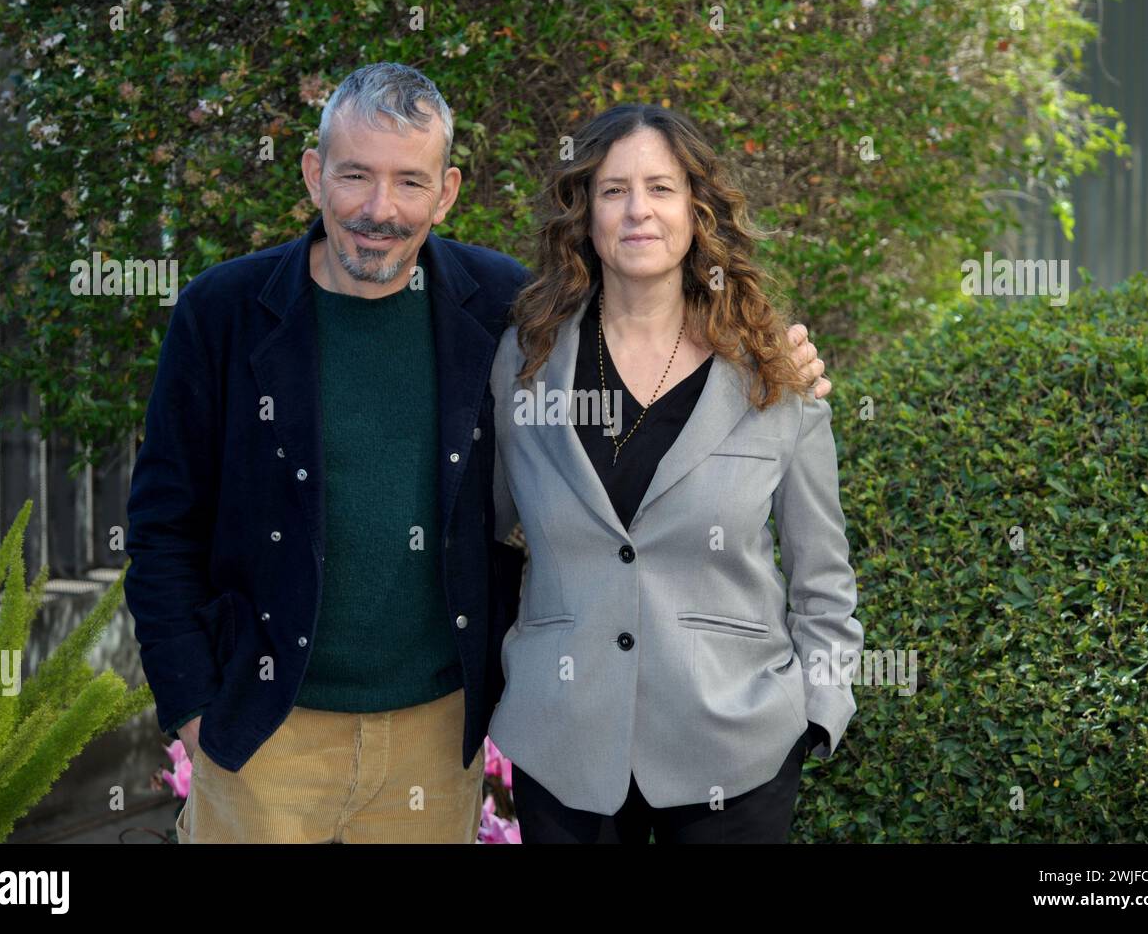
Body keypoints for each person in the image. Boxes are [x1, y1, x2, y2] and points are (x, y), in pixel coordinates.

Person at [125, 63, 830, 843]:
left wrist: (771, 357)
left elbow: (644, 323)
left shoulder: (497, 309)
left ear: (449, 190)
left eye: (410, 182)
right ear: (313, 174)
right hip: (264, 732)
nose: (379, 209)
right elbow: (162, 528)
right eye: (355, 175)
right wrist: (191, 708)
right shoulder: (222, 313)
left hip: (434, 739)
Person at [488, 104, 862, 843]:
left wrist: (820, 706)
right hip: (564, 748)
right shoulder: (524, 364)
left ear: (697, 210)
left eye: (660, 188)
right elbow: (492, 534)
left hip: (737, 747)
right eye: (613, 189)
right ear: (584, 212)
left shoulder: (771, 373)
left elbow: (823, 575)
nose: (638, 211)